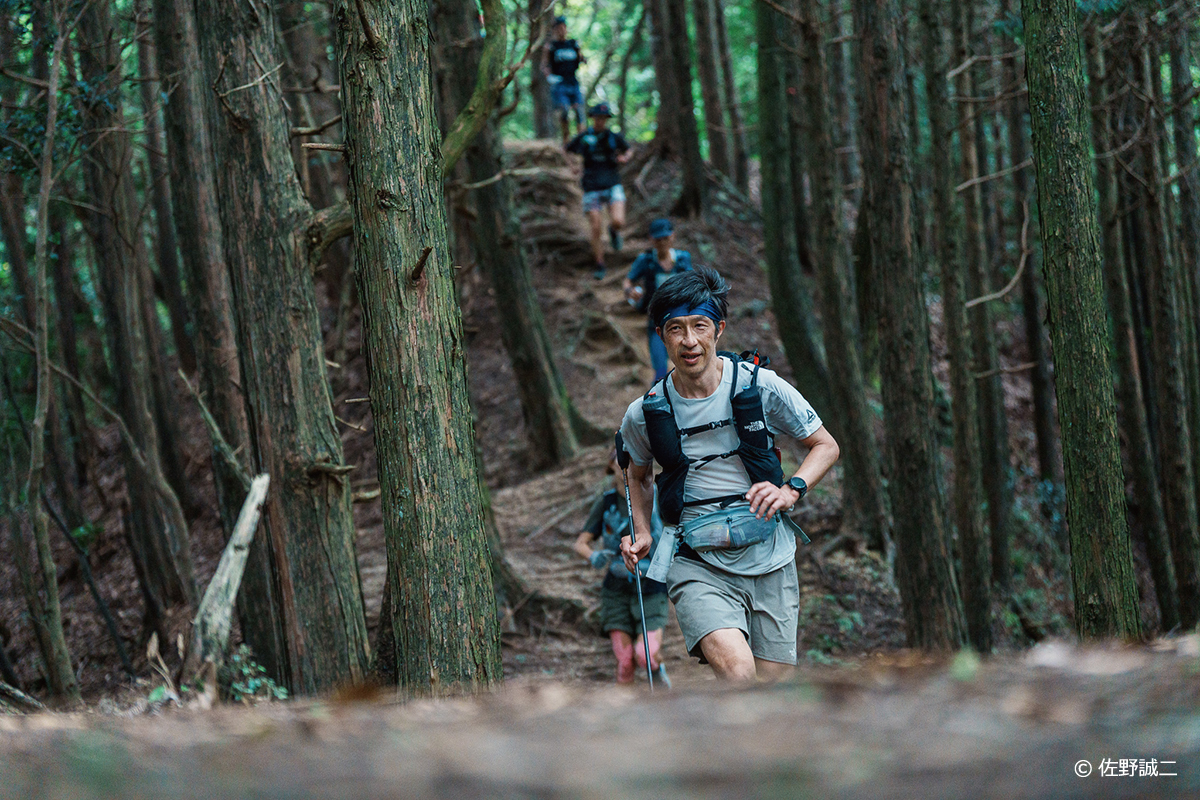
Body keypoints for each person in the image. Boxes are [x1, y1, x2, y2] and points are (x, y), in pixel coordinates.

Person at [618, 268, 840, 683]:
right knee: (740, 674)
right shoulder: (645, 412)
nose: (689, 341)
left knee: (771, 690)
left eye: (699, 326)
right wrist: (643, 531)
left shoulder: (760, 385)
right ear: (661, 335)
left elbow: (825, 445)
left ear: (718, 329)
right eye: (675, 329)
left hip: (770, 554)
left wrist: (791, 490)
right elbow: (638, 474)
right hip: (695, 559)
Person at [573, 451, 670, 686]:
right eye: (620, 459)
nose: (625, 465)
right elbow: (581, 543)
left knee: (646, 655)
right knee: (625, 661)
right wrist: (594, 555)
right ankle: (623, 706)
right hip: (616, 590)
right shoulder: (606, 502)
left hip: (651, 587)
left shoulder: (656, 495)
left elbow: (674, 531)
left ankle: (661, 684)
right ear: (611, 465)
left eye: (631, 459)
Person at [565, 102, 631, 280]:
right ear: (593, 118)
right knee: (595, 227)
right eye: (598, 117)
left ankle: (613, 231)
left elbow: (628, 150)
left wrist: (624, 157)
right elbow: (568, 150)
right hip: (591, 186)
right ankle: (600, 264)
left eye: (603, 118)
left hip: (612, 183)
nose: (600, 120)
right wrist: (573, 166)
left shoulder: (613, 137)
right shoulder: (584, 136)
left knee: (619, 221)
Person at [624, 218, 694, 382]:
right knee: (660, 372)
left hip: (682, 322)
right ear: (651, 239)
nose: (662, 243)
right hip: (656, 323)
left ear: (672, 237)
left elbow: (693, 284)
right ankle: (658, 396)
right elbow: (628, 281)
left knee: (687, 368)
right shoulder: (646, 260)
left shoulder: (682, 259)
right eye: (658, 239)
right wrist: (630, 292)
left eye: (665, 238)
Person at [541, 16, 586, 142]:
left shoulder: (573, 44)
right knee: (564, 111)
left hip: (573, 81)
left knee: (579, 110)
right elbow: (544, 65)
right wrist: (549, 76)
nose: (561, 30)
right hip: (560, 83)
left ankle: (581, 141)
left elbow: (581, 58)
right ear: (554, 30)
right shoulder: (551, 46)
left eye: (563, 27)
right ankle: (566, 141)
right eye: (558, 28)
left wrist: (583, 58)